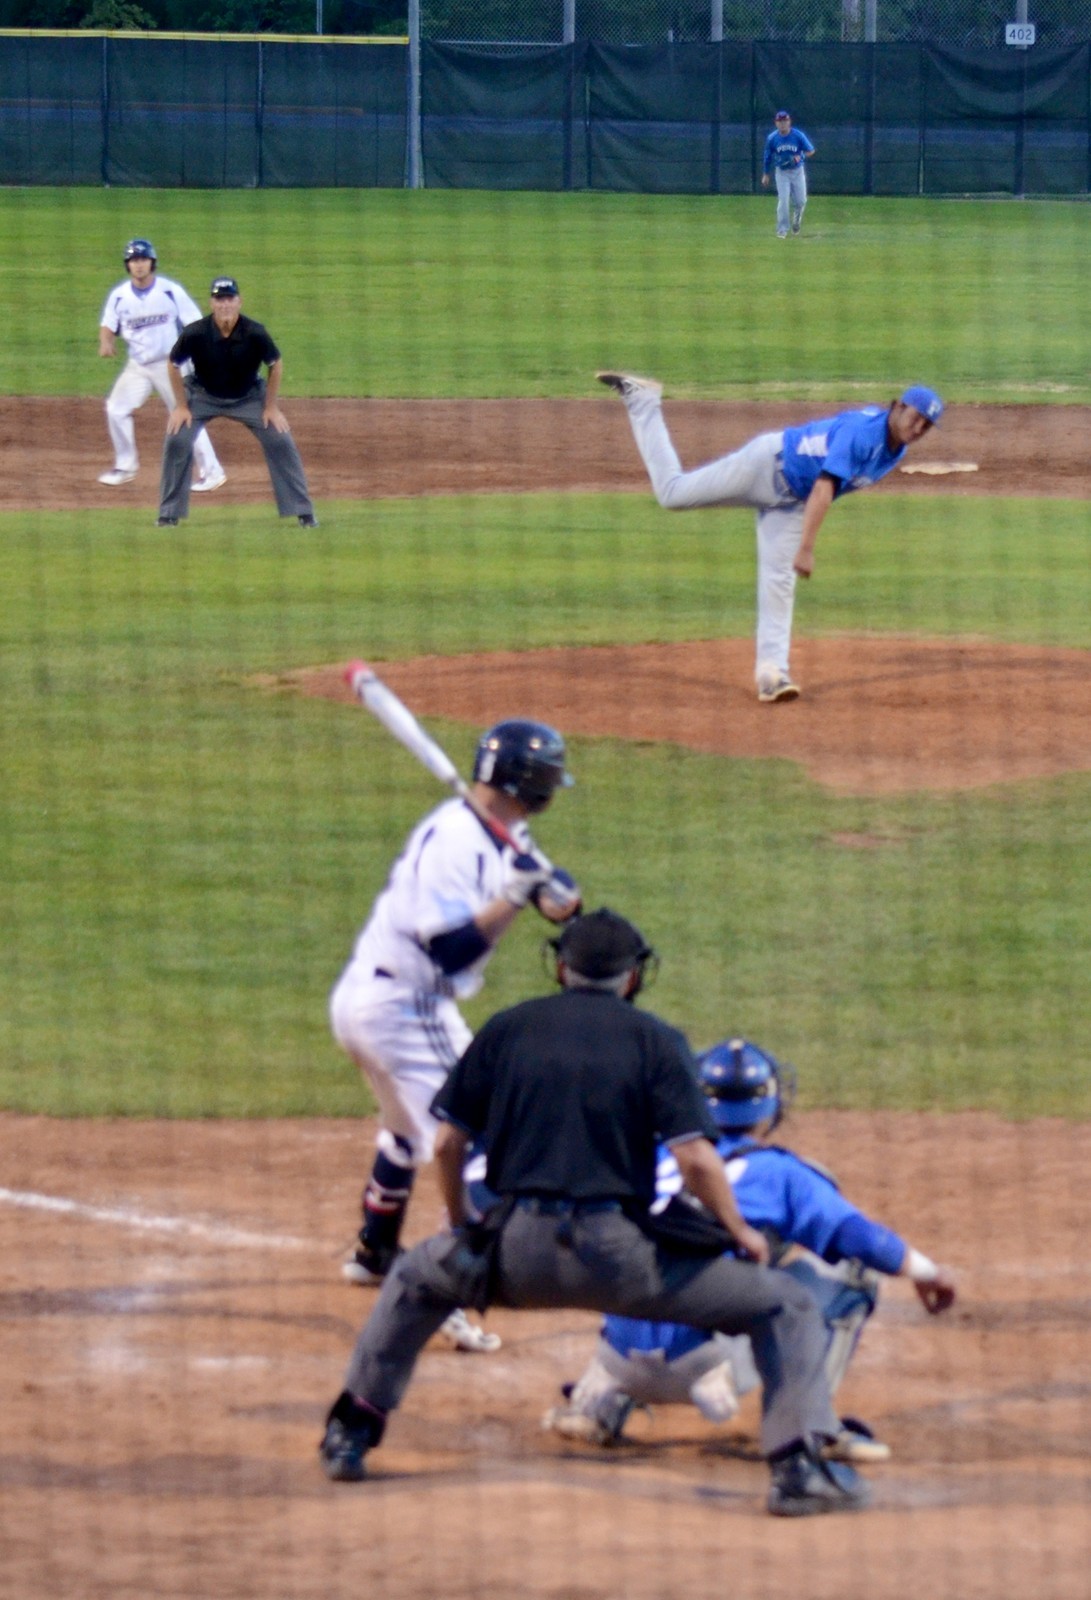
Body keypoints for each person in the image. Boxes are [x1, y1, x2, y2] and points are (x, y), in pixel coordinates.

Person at [318, 908, 874, 1517]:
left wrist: (462, 1230)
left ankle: (352, 1432)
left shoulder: (507, 1029)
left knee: (414, 1280)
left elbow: (447, 1145)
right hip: (624, 1264)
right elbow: (696, 1161)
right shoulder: (657, 1040)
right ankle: (797, 1471)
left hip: (515, 1256)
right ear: (633, 979)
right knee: (783, 1303)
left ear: (561, 967)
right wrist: (740, 1232)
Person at [544, 1037, 957, 1455]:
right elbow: (863, 1240)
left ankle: (600, 1403)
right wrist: (929, 1272)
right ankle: (811, 1426)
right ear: (771, 1108)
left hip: (617, 1359)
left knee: (642, 1246)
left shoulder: (647, 1155)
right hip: (705, 1368)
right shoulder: (780, 1173)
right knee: (851, 1272)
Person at [330, 718, 581, 1354]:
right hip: (406, 1009)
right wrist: (516, 900)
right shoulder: (452, 843)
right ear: (531, 784)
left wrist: (555, 895)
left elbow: (548, 899)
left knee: (407, 1131)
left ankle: (375, 1250)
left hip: (370, 1000)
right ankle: (448, 1289)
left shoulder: (503, 831)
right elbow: (450, 950)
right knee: (484, 1135)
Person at [596, 372, 945, 702]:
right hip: (764, 467)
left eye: (927, 426)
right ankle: (643, 400)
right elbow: (825, 487)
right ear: (897, 406)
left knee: (779, 582)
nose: (919, 428)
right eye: (916, 417)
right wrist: (806, 549)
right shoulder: (863, 434)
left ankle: (772, 675)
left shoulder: (894, 449)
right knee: (672, 494)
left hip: (792, 503)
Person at [156, 276, 316, 528]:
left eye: (229, 299)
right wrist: (181, 406)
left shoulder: (255, 332)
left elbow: (276, 364)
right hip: (202, 396)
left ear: (239, 302)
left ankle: (303, 512)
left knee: (280, 438)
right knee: (177, 438)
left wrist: (271, 406)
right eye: (219, 299)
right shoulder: (196, 332)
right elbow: (173, 363)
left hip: (248, 397)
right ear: (212, 303)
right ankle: (168, 514)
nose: (225, 304)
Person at [98, 239, 225, 492]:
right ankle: (126, 466)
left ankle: (212, 472)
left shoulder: (170, 290)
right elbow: (108, 324)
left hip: (172, 365)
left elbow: (195, 322)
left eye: (143, 260)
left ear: (152, 262)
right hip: (138, 367)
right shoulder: (120, 296)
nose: (139, 265)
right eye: (134, 261)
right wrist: (106, 342)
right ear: (128, 265)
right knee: (116, 408)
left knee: (186, 416)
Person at [761, 110, 815, 238]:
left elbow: (811, 151)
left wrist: (800, 155)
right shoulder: (772, 138)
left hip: (797, 171)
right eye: (780, 121)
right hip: (782, 172)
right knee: (783, 200)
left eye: (785, 121)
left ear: (789, 122)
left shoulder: (798, 135)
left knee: (801, 201)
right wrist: (765, 173)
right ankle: (782, 230)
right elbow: (767, 156)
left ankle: (796, 221)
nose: (783, 124)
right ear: (776, 123)